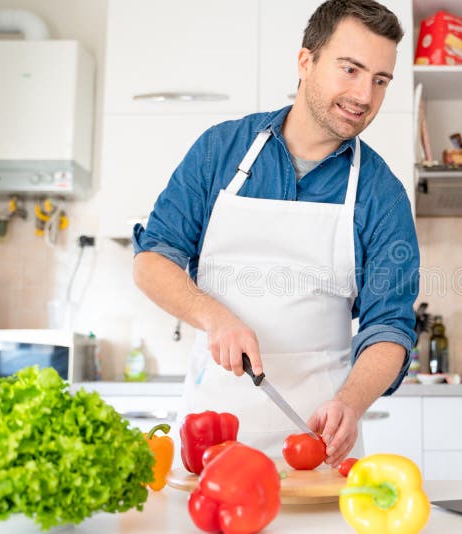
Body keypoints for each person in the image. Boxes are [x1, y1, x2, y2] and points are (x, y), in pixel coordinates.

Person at [132, 0, 419, 466]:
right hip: (210, 441)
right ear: (306, 62)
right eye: (350, 70)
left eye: (380, 80)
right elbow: (152, 261)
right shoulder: (221, 150)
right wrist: (214, 317)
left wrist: (350, 403)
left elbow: (390, 327)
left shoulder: (381, 193)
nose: (364, 95)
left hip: (316, 443)